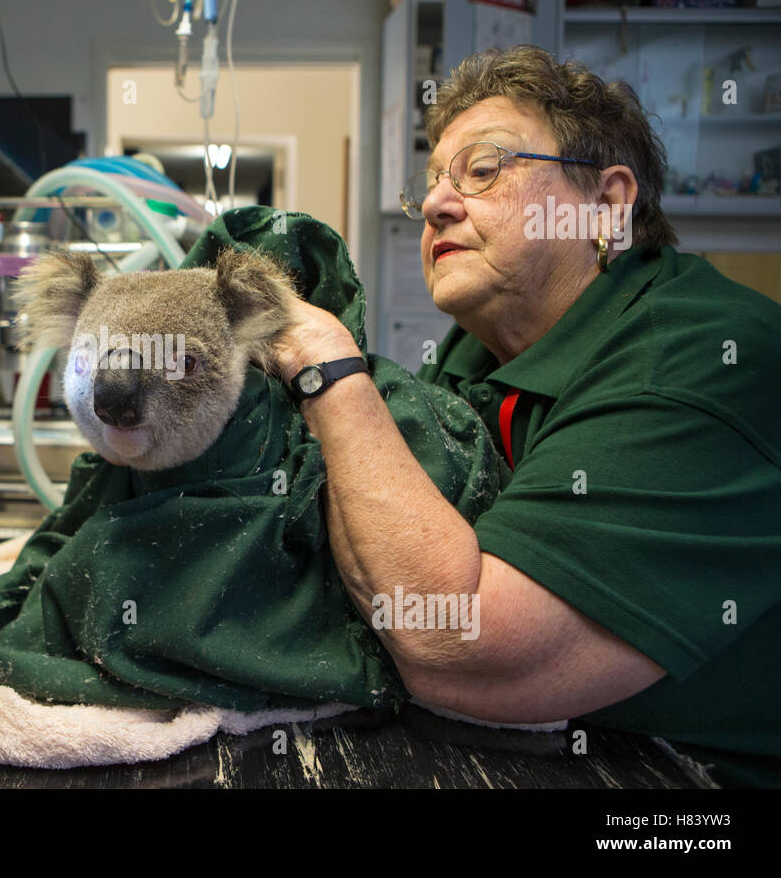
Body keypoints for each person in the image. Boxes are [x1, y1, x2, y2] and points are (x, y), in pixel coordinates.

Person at [273, 45, 781, 787]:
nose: (439, 205)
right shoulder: (476, 354)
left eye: (483, 169)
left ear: (608, 206)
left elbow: (462, 647)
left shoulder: (691, 361)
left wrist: (329, 368)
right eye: (435, 182)